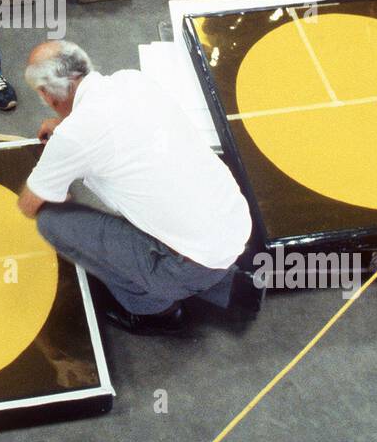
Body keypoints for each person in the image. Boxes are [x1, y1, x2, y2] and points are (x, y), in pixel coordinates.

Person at [15, 40, 252, 334]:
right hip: (235, 224)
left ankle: (154, 311)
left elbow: (29, 205)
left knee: (52, 221)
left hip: (189, 264)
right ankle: (218, 283)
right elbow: (109, 128)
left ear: (47, 95)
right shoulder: (133, 80)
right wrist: (66, 131)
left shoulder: (74, 136)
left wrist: (59, 160)